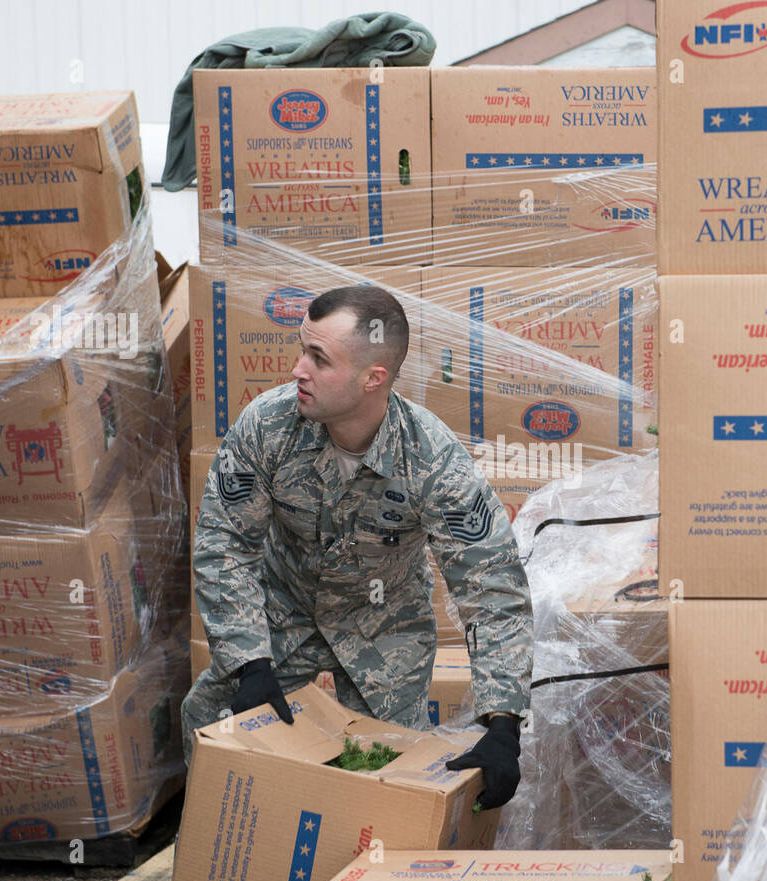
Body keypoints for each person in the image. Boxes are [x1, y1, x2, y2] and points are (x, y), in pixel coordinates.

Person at [184, 285, 531, 809]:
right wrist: (248, 663)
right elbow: (225, 543)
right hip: (283, 621)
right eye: (302, 349)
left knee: (387, 791)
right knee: (206, 723)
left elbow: (491, 588)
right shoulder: (268, 425)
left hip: (382, 638)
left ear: (374, 378)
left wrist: (503, 724)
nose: (299, 370)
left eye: (319, 359)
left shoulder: (434, 461)